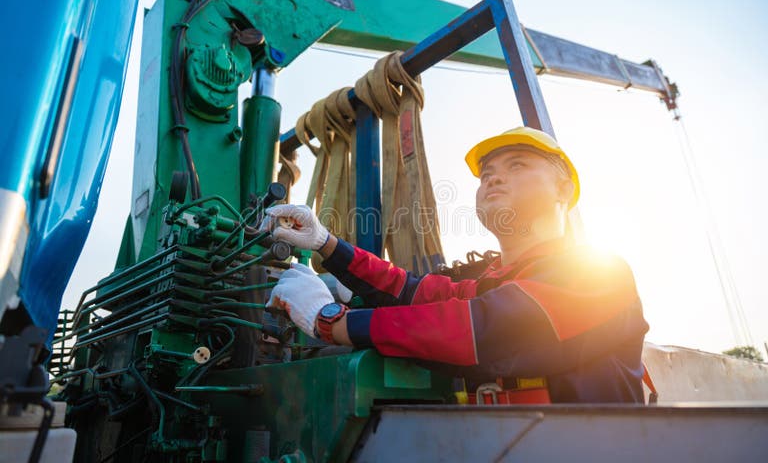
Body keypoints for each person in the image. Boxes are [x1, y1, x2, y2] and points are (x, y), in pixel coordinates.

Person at [263, 126, 649, 403]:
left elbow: (484, 330)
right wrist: (326, 244)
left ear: (563, 190)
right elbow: (413, 291)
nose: (494, 179)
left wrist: (331, 319)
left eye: (517, 166)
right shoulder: (495, 281)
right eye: (487, 175)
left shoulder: (599, 275)